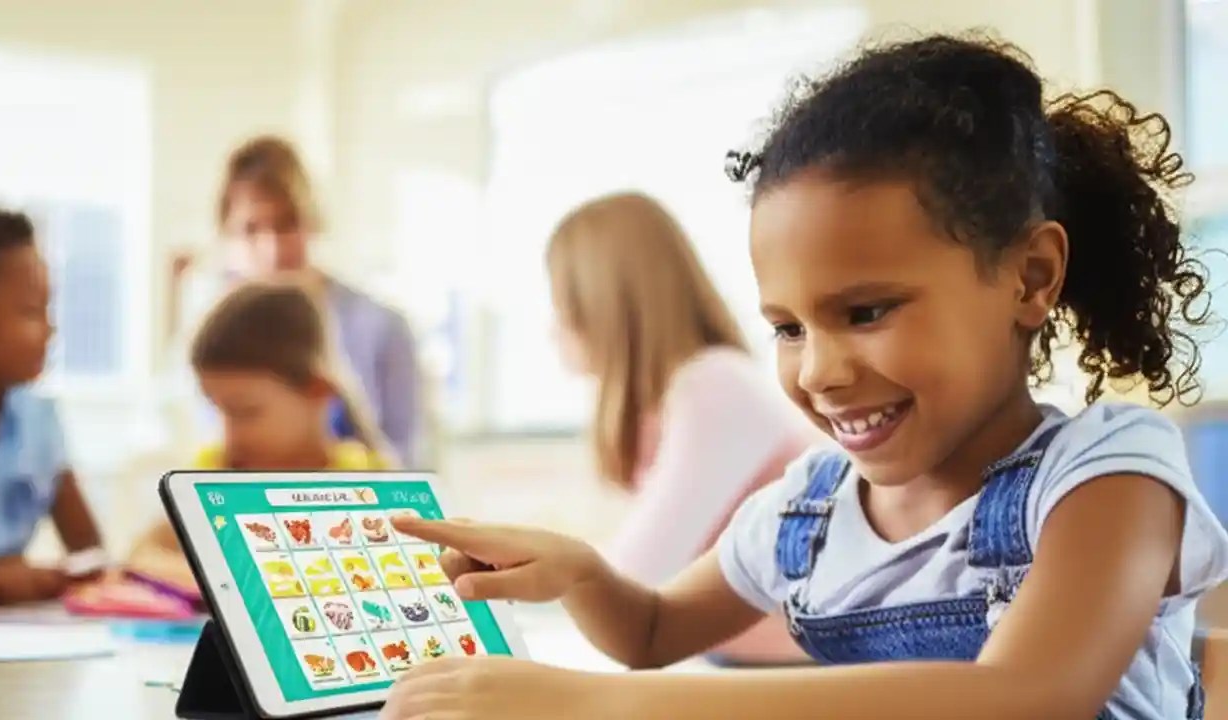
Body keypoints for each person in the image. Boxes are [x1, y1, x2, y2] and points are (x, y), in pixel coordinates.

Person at [380, 35, 1228, 720]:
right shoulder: (806, 513)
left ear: (1030, 277)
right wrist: (583, 575)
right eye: (788, 328)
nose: (819, 371)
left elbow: (1023, 698)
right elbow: (650, 631)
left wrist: (599, 705)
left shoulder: (1107, 478)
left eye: (867, 312)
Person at [546, 192, 814, 664]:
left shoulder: (714, 387)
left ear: (598, 303)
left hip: (802, 665)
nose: (553, 327)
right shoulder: (683, 396)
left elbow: (634, 579)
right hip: (755, 661)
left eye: (559, 300)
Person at [129, 279, 397, 590]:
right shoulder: (216, 473)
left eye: (246, 412)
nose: (229, 435)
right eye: (217, 410)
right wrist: (229, 585)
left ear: (316, 391)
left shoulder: (367, 480)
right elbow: (143, 554)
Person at [171, 136, 422, 464]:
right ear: (227, 237)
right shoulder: (216, 341)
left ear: (312, 222)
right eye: (251, 229)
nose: (273, 248)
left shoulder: (381, 327)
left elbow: (406, 463)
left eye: (287, 224)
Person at [0, 200, 104, 605]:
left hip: (10, 630)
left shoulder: (39, 421)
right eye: (31, 312)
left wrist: (54, 577)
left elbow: (90, 551)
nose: (50, 331)